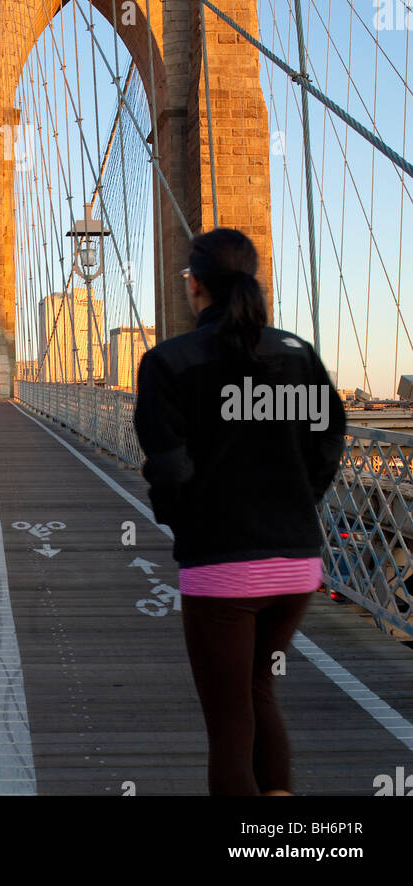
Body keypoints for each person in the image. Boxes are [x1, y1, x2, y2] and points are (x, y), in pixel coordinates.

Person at [133, 227, 346, 797]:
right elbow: (328, 445)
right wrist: (298, 505)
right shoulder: (299, 355)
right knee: (258, 692)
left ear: (194, 284)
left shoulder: (168, 362)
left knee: (229, 722)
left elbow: (170, 468)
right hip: (297, 565)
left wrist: (189, 522)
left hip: (223, 567)